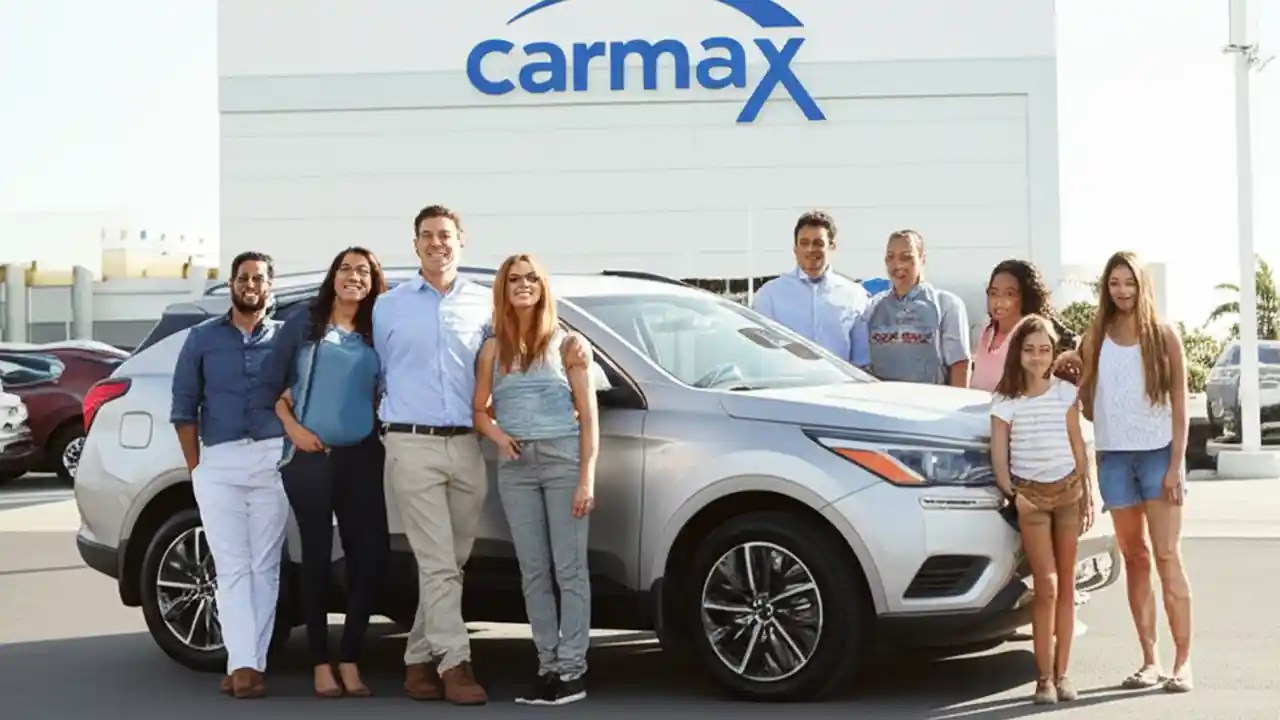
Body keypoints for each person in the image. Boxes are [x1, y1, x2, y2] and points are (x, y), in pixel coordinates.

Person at [374, 204, 589, 705]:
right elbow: (372, 366)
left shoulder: (482, 307)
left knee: (452, 561)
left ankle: (414, 659)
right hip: (411, 442)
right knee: (440, 565)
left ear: (461, 241)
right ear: (415, 244)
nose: (437, 243)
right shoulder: (390, 305)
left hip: (466, 445)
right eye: (427, 235)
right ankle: (455, 664)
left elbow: (513, 369)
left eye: (445, 235)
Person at [1053, 250, 1193, 693]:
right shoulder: (1096, 335)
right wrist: (1064, 369)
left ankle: (1182, 663)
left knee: (1167, 556)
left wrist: (1175, 466)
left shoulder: (1164, 335)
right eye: (1114, 282)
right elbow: (1082, 389)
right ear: (1106, 288)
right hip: (1114, 459)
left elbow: (1181, 405)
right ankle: (1149, 661)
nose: (1122, 290)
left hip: (1158, 456)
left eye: (1129, 282)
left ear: (1142, 285)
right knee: (1135, 558)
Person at [259, 246, 390, 698]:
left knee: (369, 559)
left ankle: (350, 657)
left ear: (373, 283)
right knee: (314, 559)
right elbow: (269, 382)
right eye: (346, 268)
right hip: (311, 457)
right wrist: (290, 425)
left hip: (362, 456)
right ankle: (319, 661)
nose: (354, 276)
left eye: (364, 272)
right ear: (333, 275)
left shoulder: (378, 330)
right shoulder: (304, 323)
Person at [472, 253, 599, 706]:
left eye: (531, 279)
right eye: (514, 280)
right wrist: (499, 435)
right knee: (532, 572)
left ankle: (572, 669)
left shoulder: (568, 346)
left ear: (543, 287)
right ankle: (547, 665)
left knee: (570, 570)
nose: (523, 285)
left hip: (564, 460)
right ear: (503, 290)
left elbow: (589, 416)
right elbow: (479, 409)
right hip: (516, 467)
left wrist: (587, 477)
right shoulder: (492, 349)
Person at [169, 251, 289, 699]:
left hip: (272, 458)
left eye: (259, 278)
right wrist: (196, 468)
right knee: (233, 565)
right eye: (243, 278)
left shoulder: (285, 338)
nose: (251, 284)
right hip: (218, 462)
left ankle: (248, 663)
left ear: (269, 286)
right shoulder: (201, 339)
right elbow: (183, 407)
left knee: (265, 565)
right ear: (233, 284)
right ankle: (244, 664)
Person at [989, 314, 1095, 705]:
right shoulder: (1005, 400)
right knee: (1046, 586)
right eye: (1030, 349)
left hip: (1068, 492)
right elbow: (999, 454)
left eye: (1045, 350)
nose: (1037, 357)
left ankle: (1063, 675)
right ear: (1018, 352)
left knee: (1067, 584)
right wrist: (1013, 492)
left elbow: (1077, 444)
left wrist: (1086, 489)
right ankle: (1043, 679)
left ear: (1053, 353)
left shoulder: (1065, 393)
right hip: (1031, 499)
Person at [751, 210, 870, 364]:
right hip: (789, 385)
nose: (810, 249)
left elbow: (861, 359)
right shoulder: (769, 296)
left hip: (840, 387)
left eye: (818, 243)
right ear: (795, 248)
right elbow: (760, 354)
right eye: (804, 243)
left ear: (832, 246)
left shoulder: (855, 296)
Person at [855, 229, 972, 385]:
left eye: (906, 257)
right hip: (882, 403)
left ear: (922, 259)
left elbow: (960, 364)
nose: (898, 265)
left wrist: (957, 405)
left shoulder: (947, 304)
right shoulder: (872, 307)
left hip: (929, 403)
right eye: (891, 257)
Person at [971, 260, 1079, 392]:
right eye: (994, 293)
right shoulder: (987, 331)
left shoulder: (1032, 335)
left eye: (1009, 294)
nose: (999, 301)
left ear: (1025, 297)